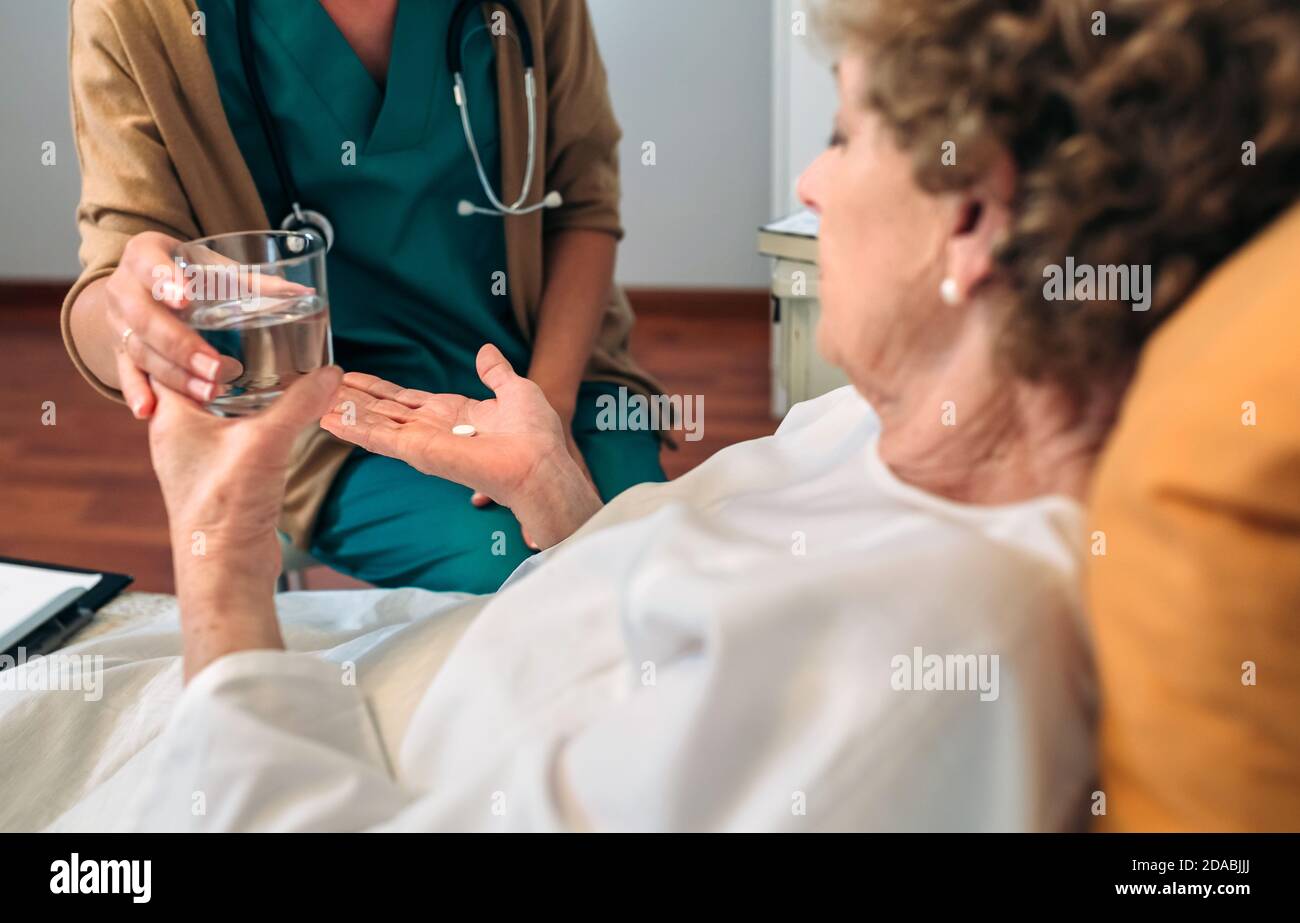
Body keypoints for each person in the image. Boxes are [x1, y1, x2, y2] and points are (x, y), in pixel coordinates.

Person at [6, 0, 1295, 832]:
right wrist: (562, 501)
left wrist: (222, 552)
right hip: (354, 689)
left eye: (843, 137)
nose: (804, 179)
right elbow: (634, 636)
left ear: (973, 216)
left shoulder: (925, 651)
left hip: (245, 758)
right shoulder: (869, 434)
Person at [61, 0, 665, 593]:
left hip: (555, 363)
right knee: (517, 575)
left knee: (643, 557)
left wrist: (548, 421)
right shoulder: (138, 12)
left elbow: (583, 203)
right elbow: (115, 281)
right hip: (334, 416)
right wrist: (130, 318)